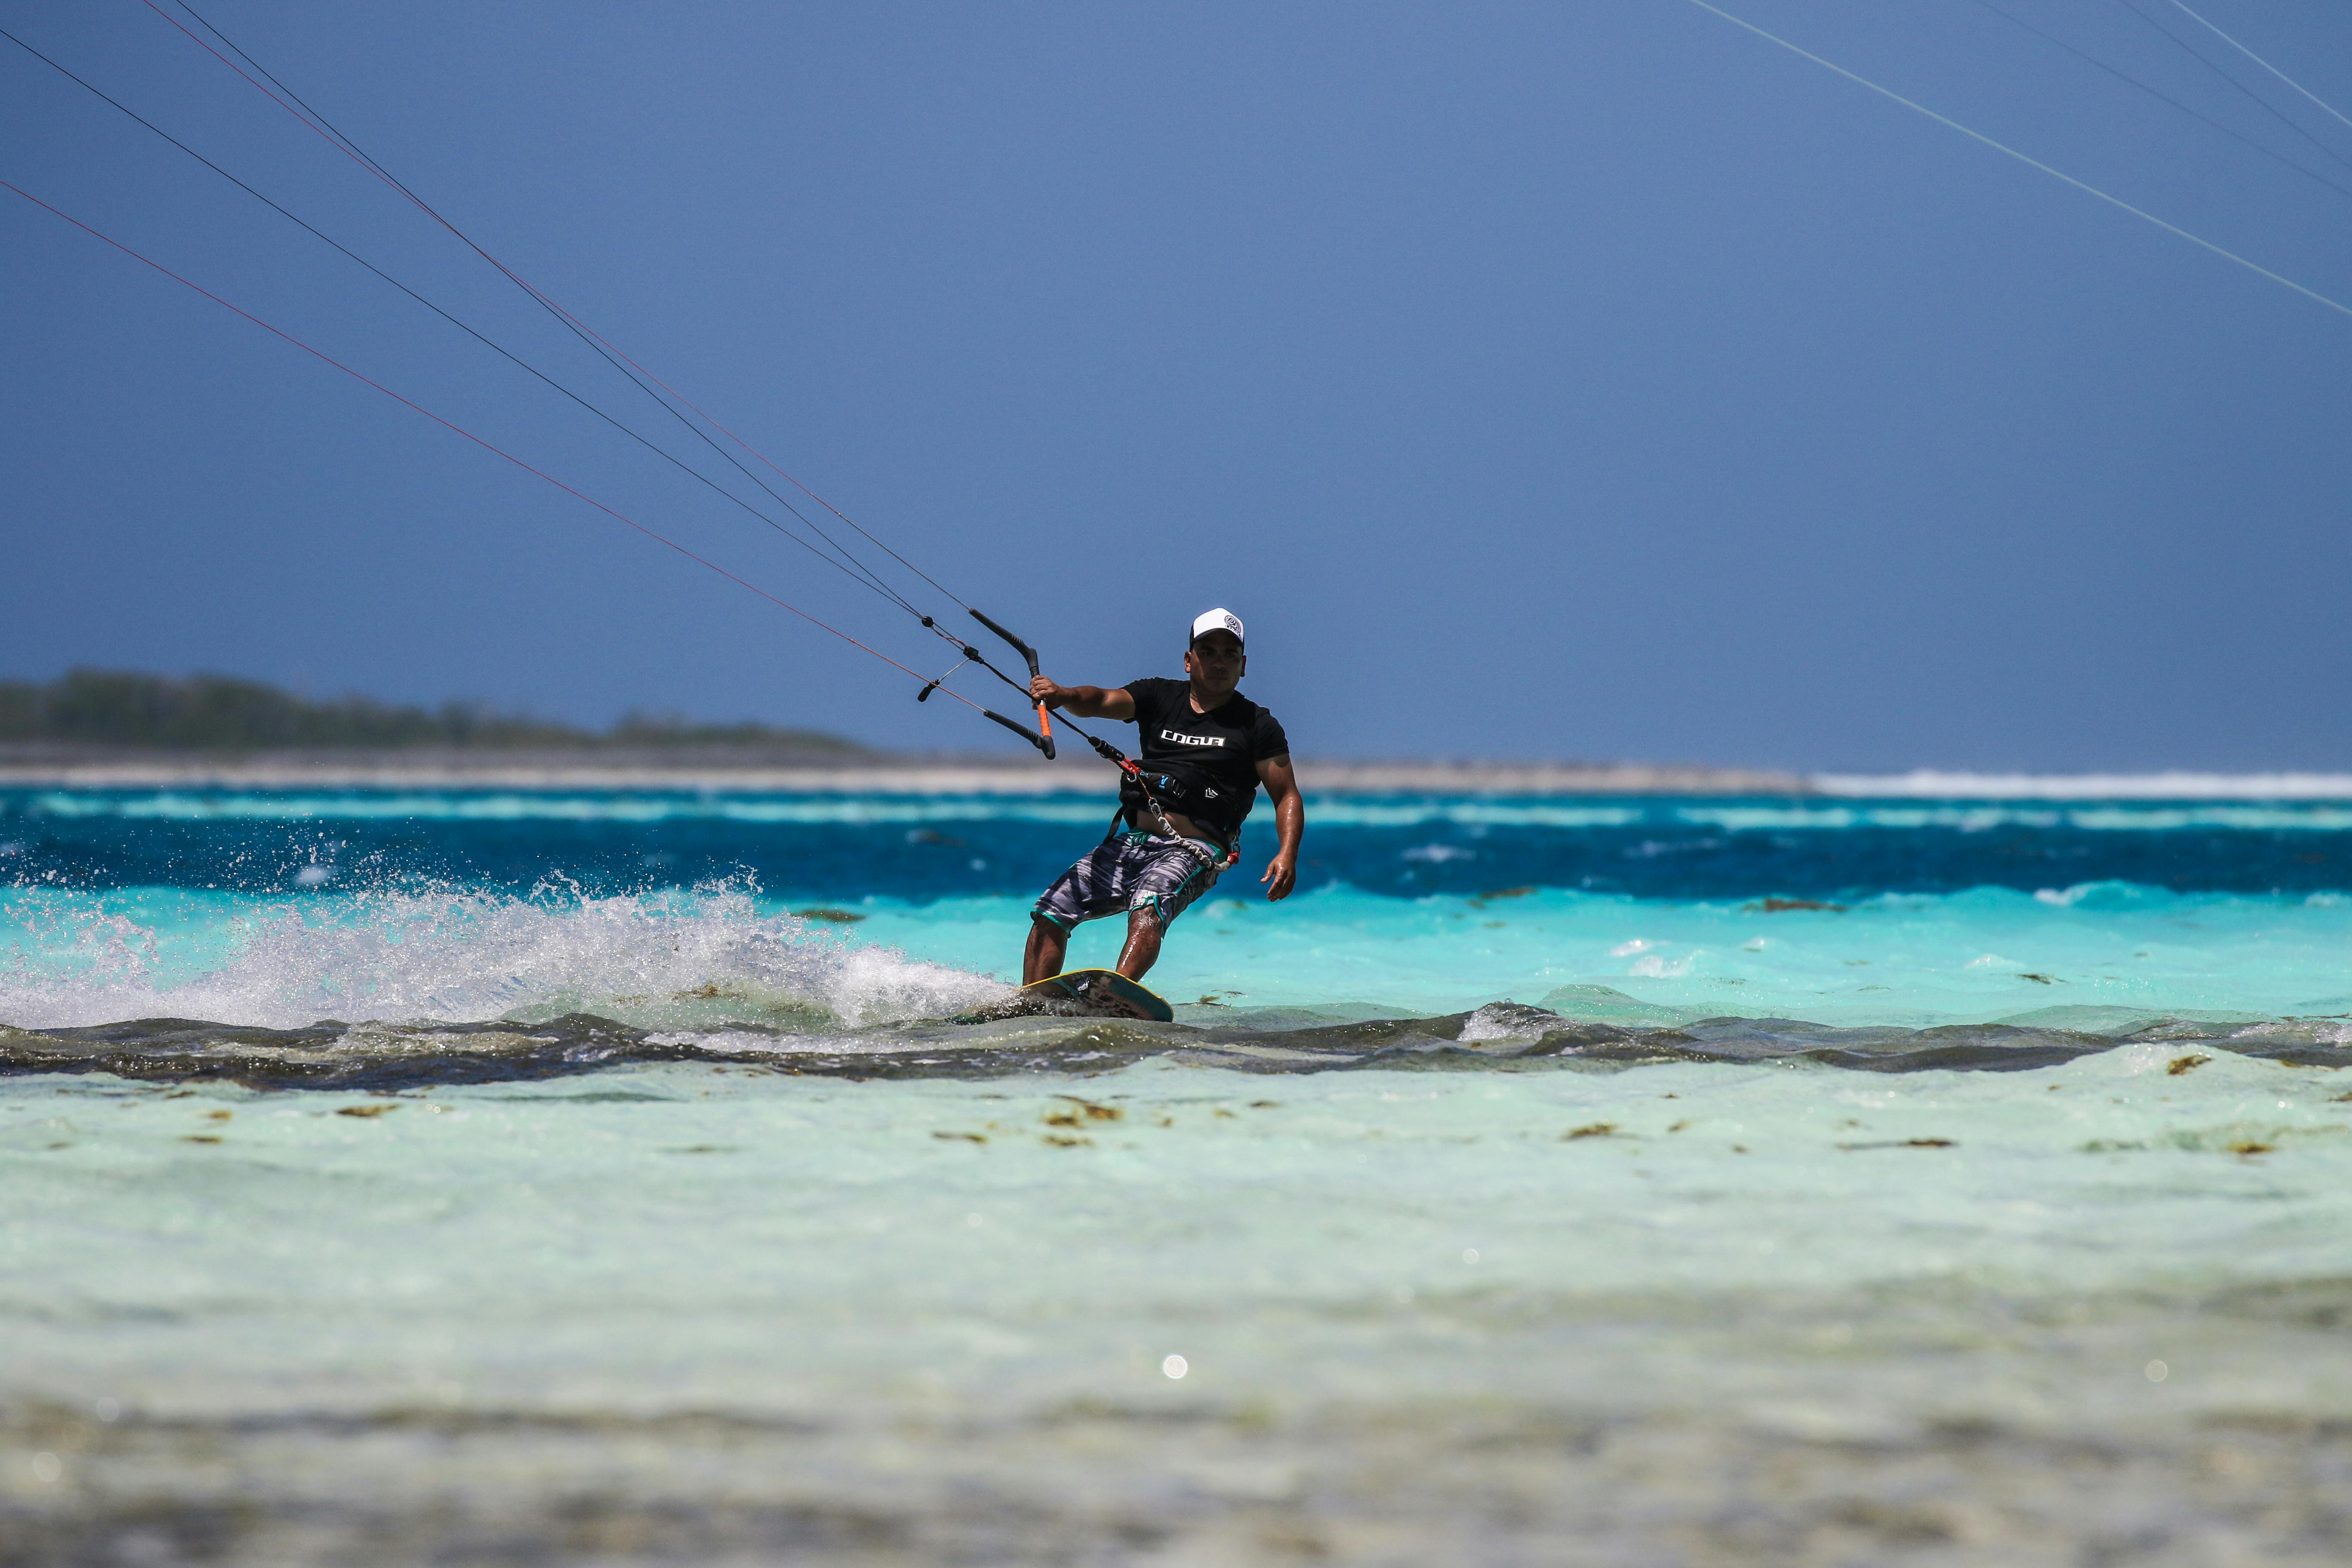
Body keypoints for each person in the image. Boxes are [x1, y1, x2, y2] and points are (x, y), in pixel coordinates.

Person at [1022, 608, 1303, 989]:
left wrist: (1287, 852)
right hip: (1134, 843)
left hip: (1196, 849)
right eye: (1208, 652)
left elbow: (1286, 795)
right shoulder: (1158, 696)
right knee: (1051, 911)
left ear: (1243, 666)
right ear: (1189, 661)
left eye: (1229, 655)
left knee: (1148, 908)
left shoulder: (1258, 725)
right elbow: (1101, 700)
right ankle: (1032, 1000)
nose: (1218, 662)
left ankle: (1114, 995)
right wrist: (1063, 695)